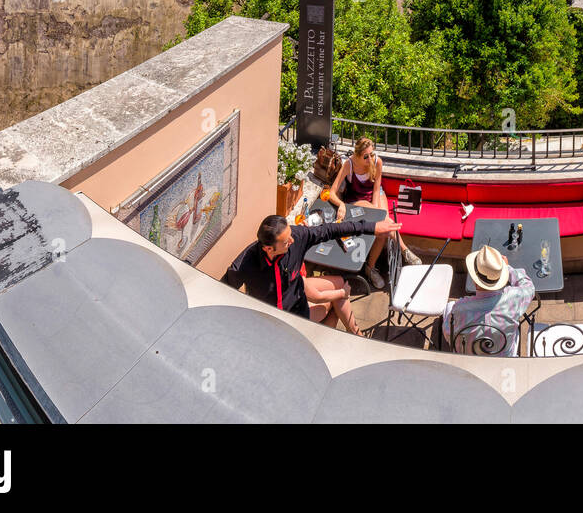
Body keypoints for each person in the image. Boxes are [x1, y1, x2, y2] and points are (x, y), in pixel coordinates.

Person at [223, 212, 398, 334]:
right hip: (286, 321)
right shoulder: (246, 264)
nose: (293, 240)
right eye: (286, 242)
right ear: (269, 248)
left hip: (297, 294)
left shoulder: (296, 237)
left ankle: (356, 335)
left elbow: (330, 230)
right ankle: (321, 338)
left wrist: (371, 227)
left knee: (339, 283)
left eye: (291, 234)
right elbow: (223, 292)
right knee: (335, 304)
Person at [322, 136, 422, 289]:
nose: (370, 158)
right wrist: (341, 204)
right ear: (357, 155)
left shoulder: (377, 162)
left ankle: (370, 268)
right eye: (366, 156)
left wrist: (374, 210)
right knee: (383, 224)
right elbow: (331, 193)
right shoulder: (349, 164)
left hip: (375, 195)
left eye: (372, 154)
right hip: (357, 198)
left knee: (383, 230)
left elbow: (376, 188)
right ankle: (405, 250)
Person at [442, 245, 536, 356]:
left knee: (449, 306)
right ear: (501, 277)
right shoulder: (514, 299)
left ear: (474, 279)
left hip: (468, 359)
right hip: (503, 358)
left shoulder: (460, 308)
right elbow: (529, 287)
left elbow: (448, 334)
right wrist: (507, 268)